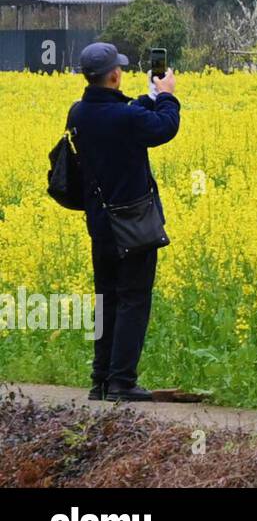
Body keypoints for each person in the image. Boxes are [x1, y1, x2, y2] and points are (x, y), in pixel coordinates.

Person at [70, 42, 181, 402]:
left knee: (107, 299)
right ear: (115, 75)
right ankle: (122, 381)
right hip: (132, 223)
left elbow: (124, 119)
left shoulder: (78, 113)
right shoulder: (126, 119)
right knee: (134, 298)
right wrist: (166, 96)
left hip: (100, 224)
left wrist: (146, 98)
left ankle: (100, 379)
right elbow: (163, 128)